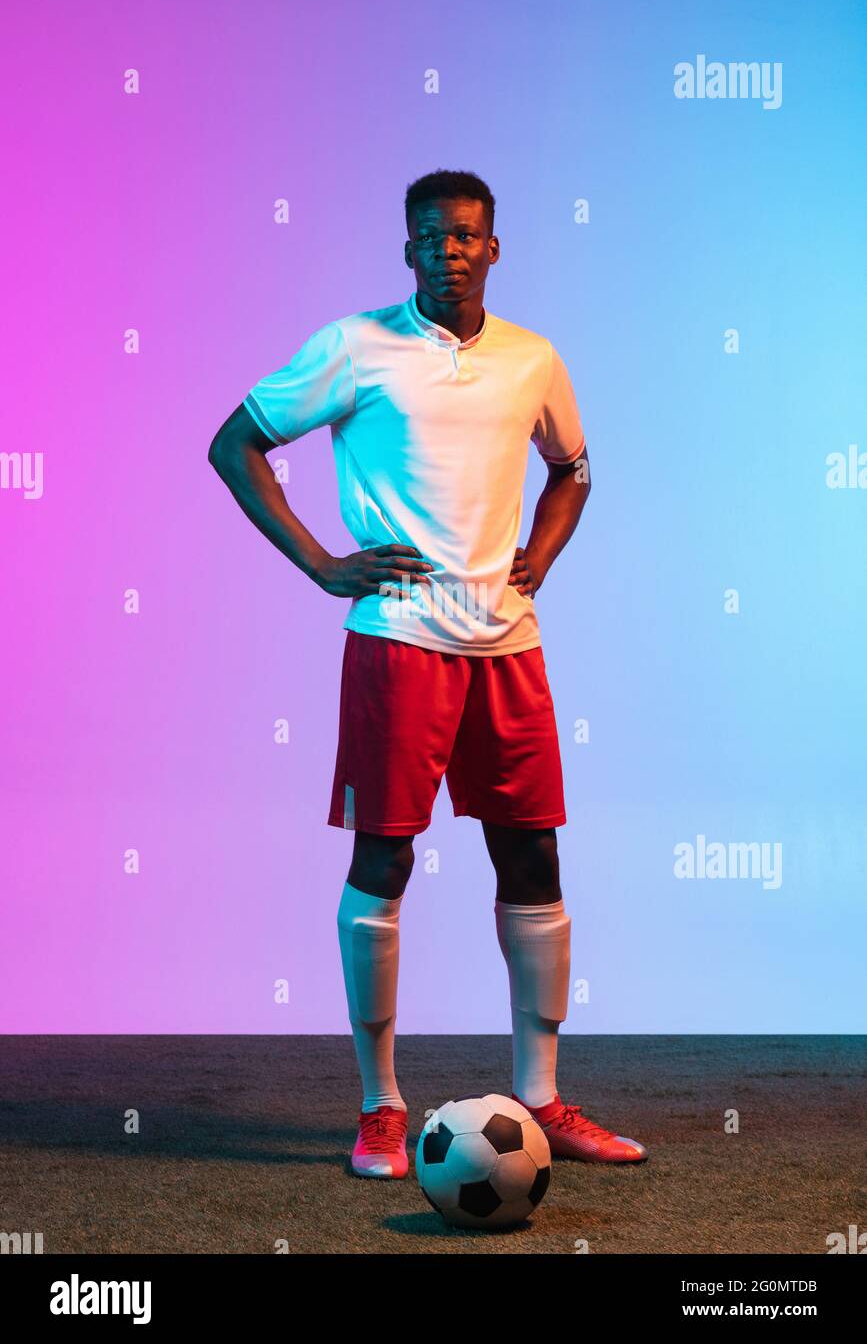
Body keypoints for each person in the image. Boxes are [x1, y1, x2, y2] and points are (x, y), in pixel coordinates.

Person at [208, 169, 648, 1178]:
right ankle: (380, 1106)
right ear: (405, 249)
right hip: (399, 643)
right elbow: (235, 444)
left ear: (494, 249)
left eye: (466, 238)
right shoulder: (356, 348)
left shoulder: (534, 359)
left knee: (532, 862)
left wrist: (543, 551)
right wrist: (322, 562)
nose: (449, 252)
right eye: (431, 238)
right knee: (385, 862)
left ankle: (540, 1097)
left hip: (508, 646)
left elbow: (573, 468)